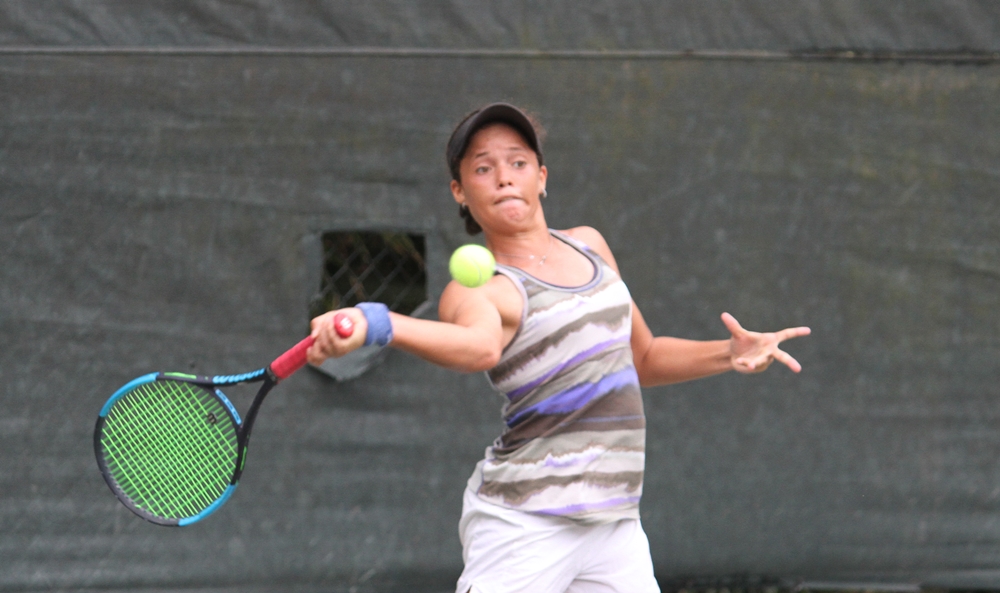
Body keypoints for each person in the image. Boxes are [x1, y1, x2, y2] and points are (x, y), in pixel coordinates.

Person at [307, 103, 811, 593]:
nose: (504, 177)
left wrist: (729, 352)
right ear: (460, 192)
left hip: (614, 519)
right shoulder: (479, 290)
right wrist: (381, 322)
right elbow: (480, 347)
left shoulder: (590, 245)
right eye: (484, 168)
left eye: (518, 162)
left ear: (542, 177)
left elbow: (643, 358)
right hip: (527, 521)